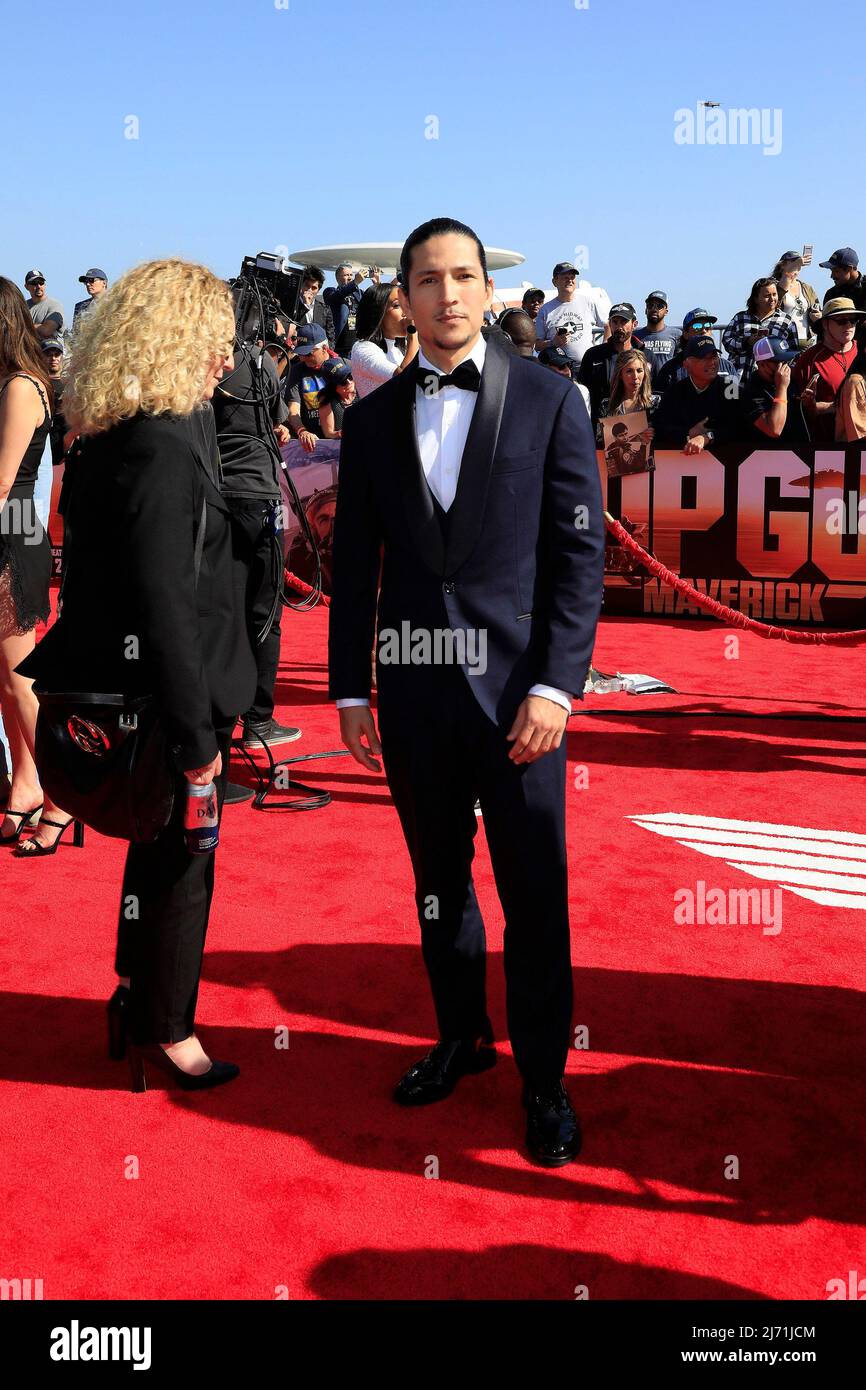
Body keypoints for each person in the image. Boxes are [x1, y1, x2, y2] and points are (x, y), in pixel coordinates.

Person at [329, 216, 605, 1167]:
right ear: (403, 297)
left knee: (536, 895)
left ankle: (545, 1081)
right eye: (427, 280)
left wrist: (559, 687)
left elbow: (579, 557)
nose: (446, 295)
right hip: (410, 700)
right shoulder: (368, 420)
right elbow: (352, 565)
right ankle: (461, 1038)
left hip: (524, 702)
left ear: (488, 290)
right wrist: (350, 695)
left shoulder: (551, 399)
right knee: (439, 887)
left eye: (463, 277)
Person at [17, 258, 256, 1089]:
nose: (229, 360)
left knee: (159, 849)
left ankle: (136, 999)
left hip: (143, 686)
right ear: (177, 338)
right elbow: (165, 599)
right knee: (186, 858)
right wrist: (197, 733)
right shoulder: (161, 441)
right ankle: (167, 1028)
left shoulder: (121, 427)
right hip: (168, 697)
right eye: (216, 343)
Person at [0, 277, 75, 854]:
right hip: (9, 532)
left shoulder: (23, 387)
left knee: (21, 677)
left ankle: (60, 796)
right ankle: (26, 785)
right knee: (7, 680)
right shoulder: (12, 383)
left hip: (9, 536)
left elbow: (2, 483)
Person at [210, 303, 300, 757]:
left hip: (216, 499)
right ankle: (259, 721)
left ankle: (221, 722)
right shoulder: (260, 362)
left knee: (223, 609)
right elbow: (279, 417)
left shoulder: (202, 364)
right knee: (264, 612)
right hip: (259, 498)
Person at [790, 296, 866, 443]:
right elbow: (798, 414)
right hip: (825, 450)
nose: (849, 325)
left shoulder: (863, 350)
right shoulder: (808, 360)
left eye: (853, 320)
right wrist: (814, 407)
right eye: (842, 321)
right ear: (825, 324)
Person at [653, 335, 741, 452]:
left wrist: (707, 437)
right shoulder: (674, 392)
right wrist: (689, 433)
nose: (712, 362)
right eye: (704, 357)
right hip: (684, 464)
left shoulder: (731, 387)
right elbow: (660, 428)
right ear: (686, 365)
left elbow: (739, 426)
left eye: (714, 356)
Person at [578, 304, 661, 426]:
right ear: (609, 324)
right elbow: (583, 392)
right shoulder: (593, 355)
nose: (619, 327)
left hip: (640, 428)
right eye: (615, 322)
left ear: (634, 324)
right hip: (600, 427)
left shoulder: (648, 356)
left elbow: (656, 390)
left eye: (624, 322)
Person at [350, 282, 419, 398]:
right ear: (378, 312)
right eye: (397, 305)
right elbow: (404, 378)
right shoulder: (362, 349)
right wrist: (412, 333)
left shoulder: (400, 349)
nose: (406, 312)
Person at [534, 261, 610, 367]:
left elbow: (608, 325)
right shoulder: (545, 310)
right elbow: (537, 345)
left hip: (586, 367)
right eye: (565, 277)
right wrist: (553, 343)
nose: (570, 280)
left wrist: (604, 348)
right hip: (558, 371)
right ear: (554, 281)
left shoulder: (589, 303)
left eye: (572, 277)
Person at [722, 278, 799, 381]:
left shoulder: (787, 321)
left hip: (771, 381)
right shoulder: (740, 318)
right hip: (739, 378)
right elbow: (727, 341)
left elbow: (793, 352)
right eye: (767, 296)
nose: (772, 299)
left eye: (774, 294)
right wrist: (747, 342)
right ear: (756, 298)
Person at [740, 336, 807, 445]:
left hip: (798, 452)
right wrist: (782, 388)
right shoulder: (752, 391)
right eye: (779, 362)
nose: (784, 366)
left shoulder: (790, 381)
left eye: (786, 361)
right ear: (761, 364)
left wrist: (809, 405)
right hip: (767, 457)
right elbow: (774, 430)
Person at [656, 307, 738, 390]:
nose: (703, 330)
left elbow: (734, 398)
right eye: (697, 326)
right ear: (685, 334)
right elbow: (663, 400)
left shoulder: (727, 366)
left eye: (707, 326)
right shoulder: (670, 368)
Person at [595, 349, 659, 446]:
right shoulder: (606, 405)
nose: (635, 376)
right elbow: (599, 440)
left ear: (645, 373)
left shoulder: (655, 403)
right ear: (620, 375)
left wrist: (655, 433)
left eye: (639, 371)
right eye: (629, 371)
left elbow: (666, 435)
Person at [285, 323, 333, 450]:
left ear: (324, 348)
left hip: (339, 442)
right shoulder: (297, 371)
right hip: (311, 444)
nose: (303, 359)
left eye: (308, 354)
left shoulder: (343, 366)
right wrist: (302, 431)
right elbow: (293, 409)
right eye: (301, 354)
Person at [324, 262, 380, 358]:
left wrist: (377, 284)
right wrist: (355, 282)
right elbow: (338, 295)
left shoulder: (359, 294)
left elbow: (374, 304)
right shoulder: (330, 292)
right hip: (338, 347)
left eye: (351, 275)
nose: (350, 277)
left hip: (355, 347)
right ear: (337, 278)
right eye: (346, 275)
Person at [771, 253, 818, 348]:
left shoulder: (807, 288)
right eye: (794, 261)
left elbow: (818, 309)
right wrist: (793, 268)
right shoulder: (773, 286)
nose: (798, 264)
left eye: (799, 262)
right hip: (782, 340)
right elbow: (778, 296)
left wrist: (818, 316)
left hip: (806, 342)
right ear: (782, 265)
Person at [41, 337, 68, 464]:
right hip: (40, 445)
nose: (53, 358)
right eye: (48, 354)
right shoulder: (37, 383)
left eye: (57, 354)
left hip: (61, 448)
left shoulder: (69, 385)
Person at [295, 265, 336, 347]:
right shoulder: (291, 306)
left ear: (318, 290)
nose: (309, 290)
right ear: (301, 285)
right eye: (307, 285)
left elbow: (330, 337)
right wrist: (305, 306)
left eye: (313, 288)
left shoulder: (325, 309)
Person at [633, 291, 680, 362]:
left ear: (666, 311)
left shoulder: (677, 335)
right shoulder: (635, 336)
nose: (654, 309)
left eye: (659, 306)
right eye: (650, 305)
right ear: (646, 310)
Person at [317, 357, 356, 437]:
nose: (349, 382)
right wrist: (343, 433)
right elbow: (329, 433)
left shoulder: (361, 389)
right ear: (332, 387)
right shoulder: (327, 401)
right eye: (343, 381)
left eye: (349, 376)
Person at [24, 271, 64, 341]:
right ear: (26, 286)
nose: (38, 286)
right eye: (34, 283)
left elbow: (46, 330)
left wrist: (24, 327)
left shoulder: (55, 305)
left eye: (41, 283)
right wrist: (39, 326)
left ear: (45, 285)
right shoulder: (23, 306)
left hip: (51, 350)